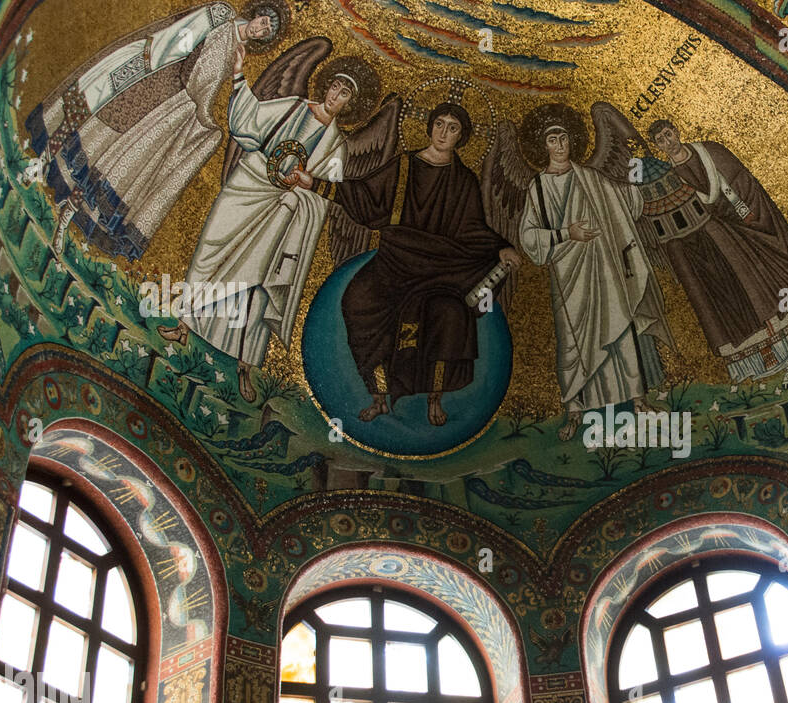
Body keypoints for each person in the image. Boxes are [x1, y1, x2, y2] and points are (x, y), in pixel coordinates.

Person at [294, 103, 521, 425]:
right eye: (439, 123)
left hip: (442, 270)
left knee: (449, 314)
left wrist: (501, 248)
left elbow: (472, 230)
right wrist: (315, 184)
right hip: (394, 262)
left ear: (462, 136)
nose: (443, 132)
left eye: (452, 127)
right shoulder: (403, 166)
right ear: (429, 127)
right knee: (359, 300)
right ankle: (378, 396)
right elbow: (364, 194)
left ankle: (434, 399)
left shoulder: (464, 180)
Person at [159, 52, 357, 402]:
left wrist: (308, 185)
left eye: (344, 94)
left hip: (283, 208)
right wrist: (238, 76)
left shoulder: (337, 146)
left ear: (350, 104)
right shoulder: (294, 106)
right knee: (209, 249)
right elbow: (251, 121)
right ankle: (184, 326)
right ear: (327, 85)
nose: (335, 95)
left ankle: (244, 367)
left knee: (256, 284)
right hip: (249, 183)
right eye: (335, 86)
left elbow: (331, 195)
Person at [26, 3, 278, 258]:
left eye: (266, 32)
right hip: (152, 76)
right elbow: (183, 43)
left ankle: (67, 214)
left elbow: (206, 84)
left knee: (111, 159)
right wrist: (200, 105)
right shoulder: (222, 17)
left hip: (168, 104)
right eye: (264, 23)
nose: (261, 30)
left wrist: (221, 89)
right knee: (91, 112)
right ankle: (42, 160)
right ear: (258, 15)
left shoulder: (238, 51)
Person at [516, 104, 669, 440]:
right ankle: (574, 409)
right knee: (572, 341)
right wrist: (566, 234)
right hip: (567, 272)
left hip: (603, 265)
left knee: (620, 328)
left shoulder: (591, 177)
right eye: (552, 139)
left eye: (564, 137)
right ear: (544, 146)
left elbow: (625, 203)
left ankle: (637, 400)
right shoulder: (537, 188)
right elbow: (528, 237)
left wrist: (640, 173)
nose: (559, 144)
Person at [646, 120, 788, 382]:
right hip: (727, 240)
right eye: (660, 140)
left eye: (668, 134)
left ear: (677, 131)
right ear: (657, 147)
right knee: (756, 290)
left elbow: (742, 180)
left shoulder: (710, 151)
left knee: (783, 268)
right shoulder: (670, 179)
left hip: (750, 221)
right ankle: (783, 351)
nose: (667, 142)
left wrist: (743, 211)